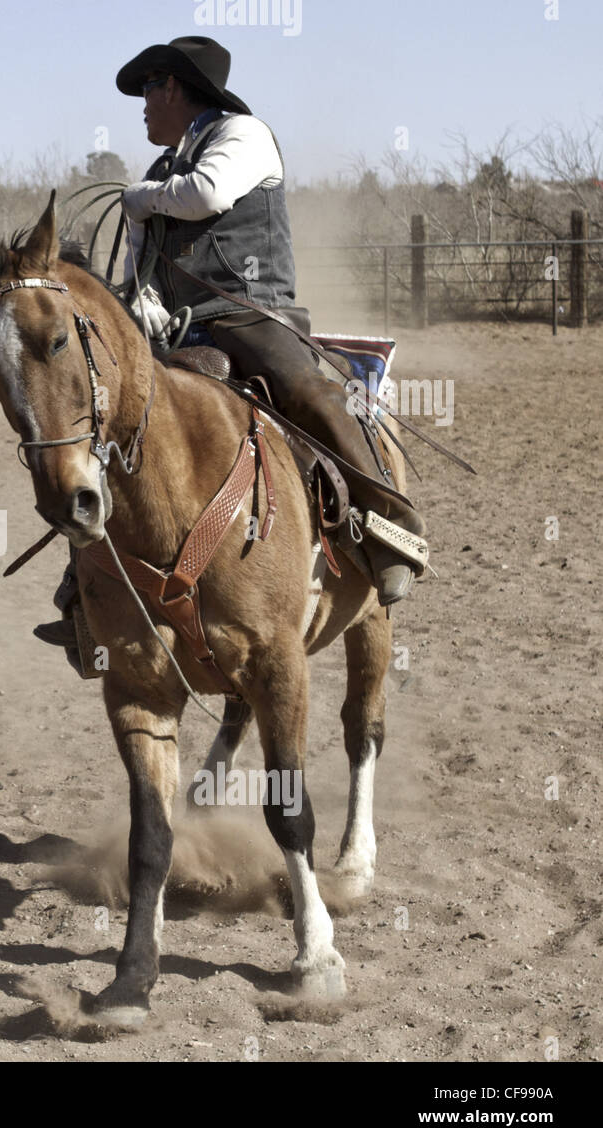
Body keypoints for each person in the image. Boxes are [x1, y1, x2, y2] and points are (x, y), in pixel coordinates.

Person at [36, 36, 427, 666]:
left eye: (148, 89)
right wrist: (143, 310)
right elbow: (140, 267)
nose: (141, 106)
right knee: (111, 423)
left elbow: (211, 194)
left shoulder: (243, 136)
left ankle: (393, 526)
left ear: (174, 88)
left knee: (307, 391)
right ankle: (86, 589)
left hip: (251, 313)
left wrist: (142, 198)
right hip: (181, 328)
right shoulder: (159, 174)